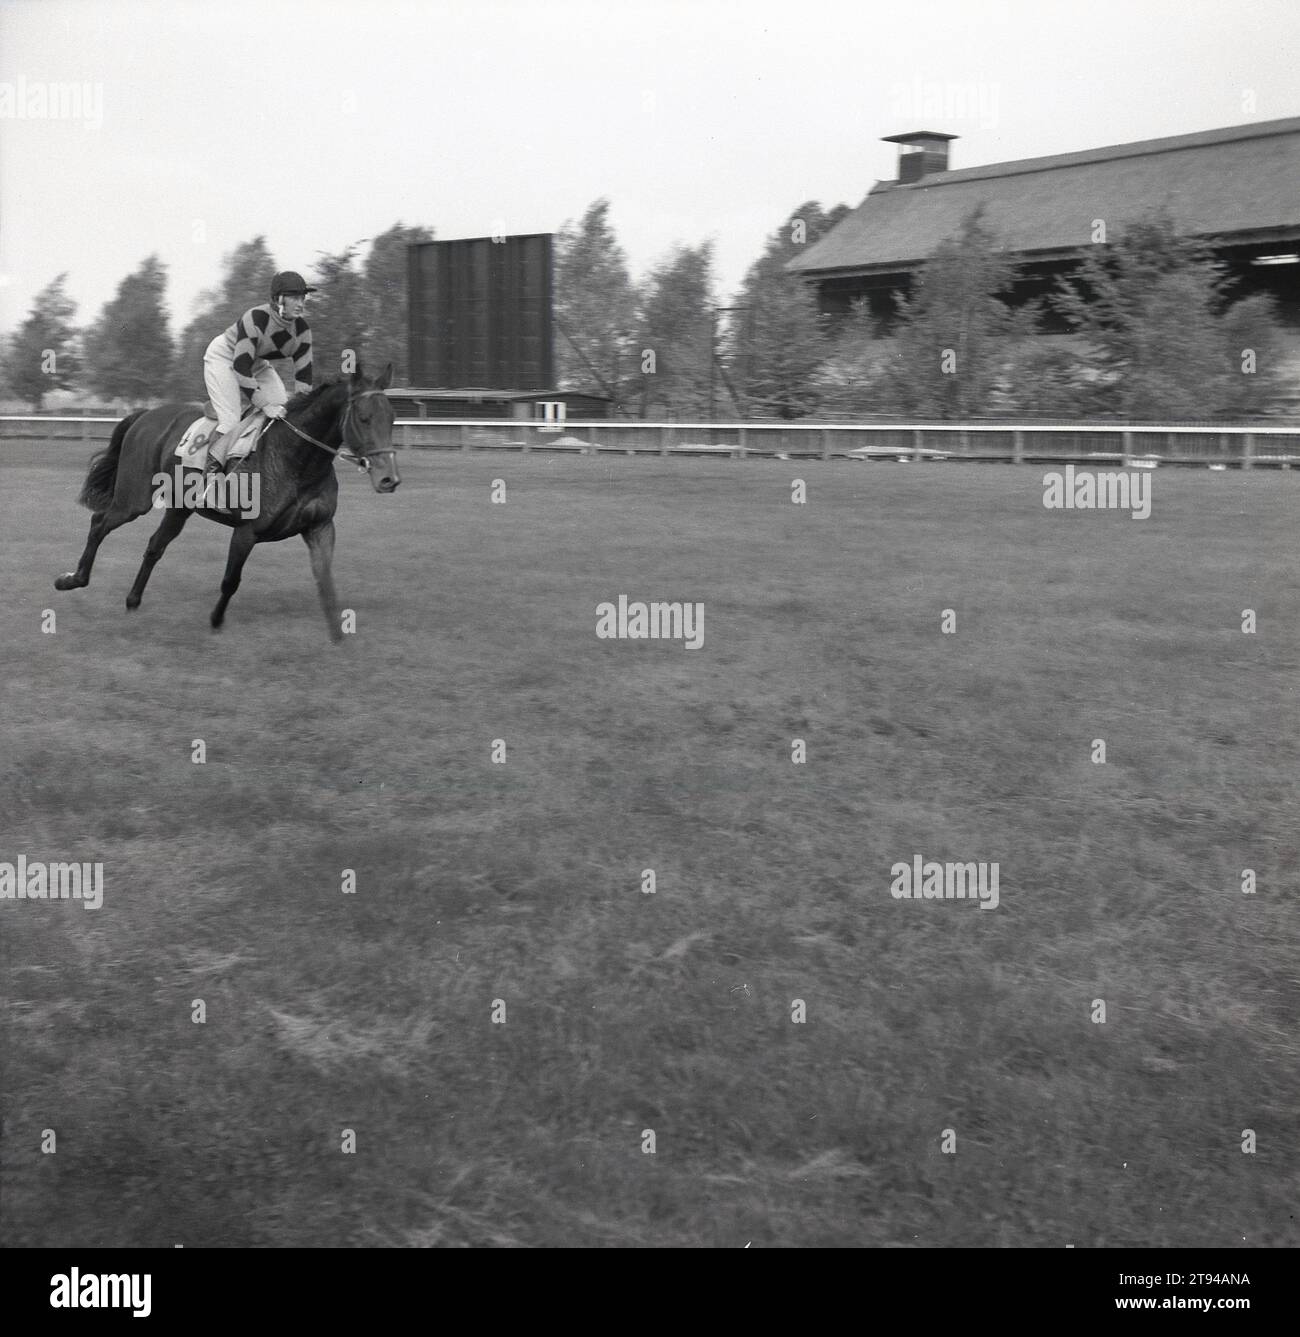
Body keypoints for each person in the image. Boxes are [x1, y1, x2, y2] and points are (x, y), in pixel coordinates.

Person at [202, 271, 317, 467]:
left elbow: (304, 377)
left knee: (283, 407)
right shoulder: (255, 318)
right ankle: (211, 474)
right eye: (294, 298)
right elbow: (240, 368)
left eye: (302, 298)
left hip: (255, 362)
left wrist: (304, 411)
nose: (301, 303)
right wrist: (265, 405)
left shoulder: (303, 331)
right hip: (224, 358)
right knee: (230, 422)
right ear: (277, 300)